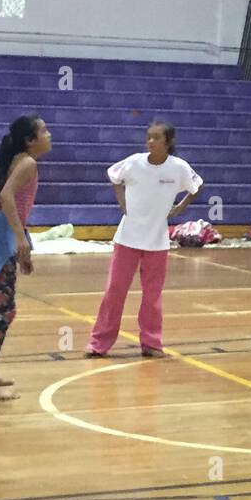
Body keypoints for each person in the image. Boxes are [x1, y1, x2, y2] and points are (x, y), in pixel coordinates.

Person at [86, 121, 202, 359]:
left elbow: (196, 186)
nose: (150, 141)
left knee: (152, 296)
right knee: (114, 291)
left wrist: (180, 207)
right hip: (127, 239)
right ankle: (99, 343)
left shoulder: (178, 168)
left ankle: (151, 342)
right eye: (148, 137)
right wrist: (121, 201)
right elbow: (113, 176)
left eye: (156, 137)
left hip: (157, 243)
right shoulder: (134, 162)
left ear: (168, 142)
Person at [0, 115, 51, 400]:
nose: (49, 134)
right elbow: (6, 197)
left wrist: (22, 242)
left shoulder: (21, 160)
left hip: (0, 239)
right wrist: (19, 239)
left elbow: (15, 205)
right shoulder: (27, 163)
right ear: (30, 140)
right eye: (43, 130)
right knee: (3, 311)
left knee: (3, 310)